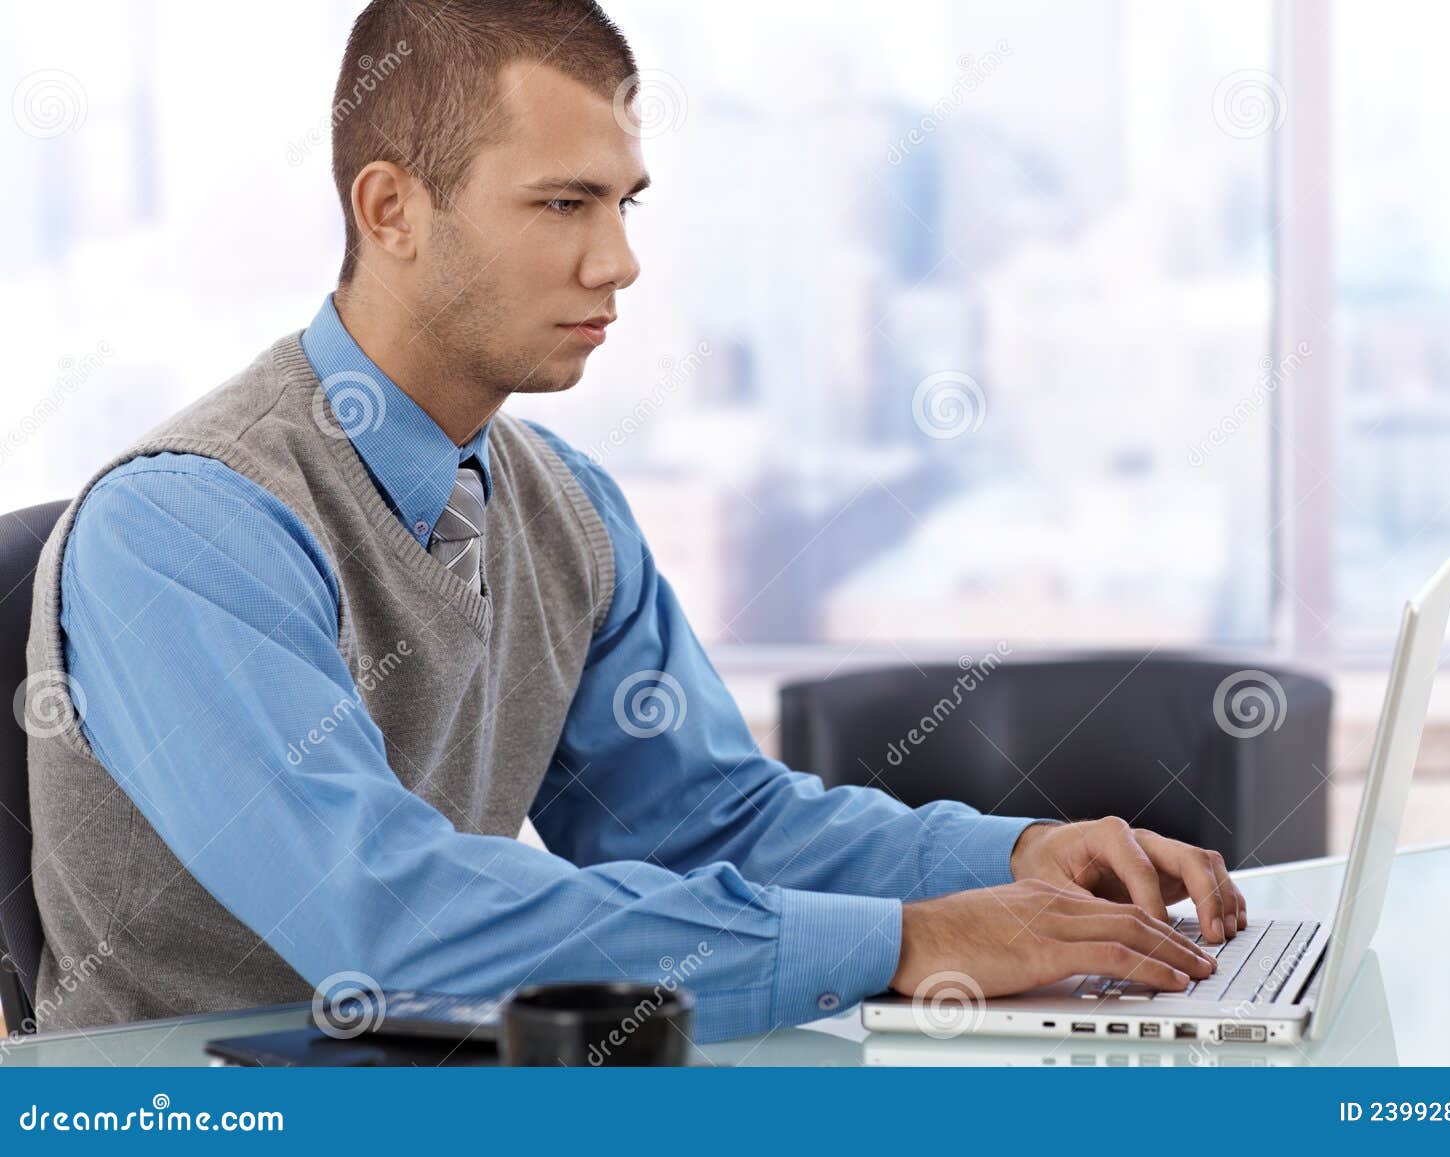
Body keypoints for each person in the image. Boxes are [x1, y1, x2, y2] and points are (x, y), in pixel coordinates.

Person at [23, 0, 1241, 1042]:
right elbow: (382, 918)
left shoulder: (565, 506)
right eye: (561, 205)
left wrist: (1014, 861)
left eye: (624, 203)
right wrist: (907, 937)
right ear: (390, 210)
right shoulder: (183, 527)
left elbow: (708, 818)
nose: (617, 261)